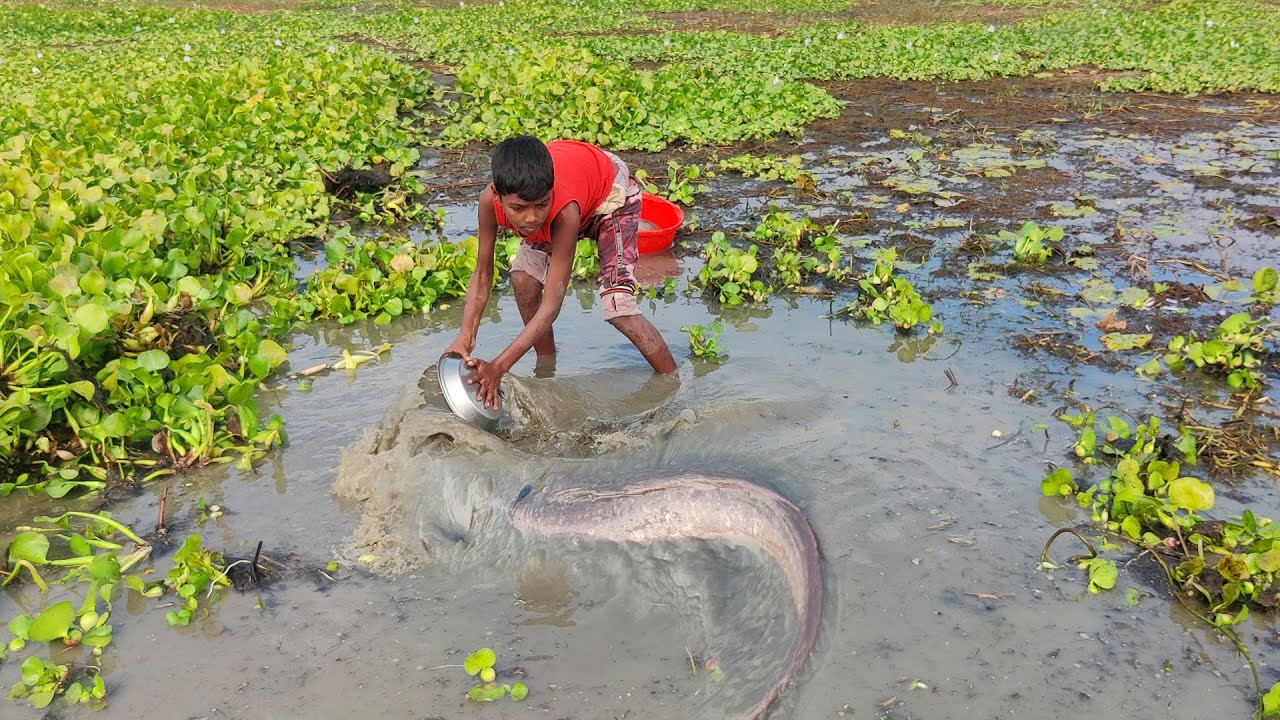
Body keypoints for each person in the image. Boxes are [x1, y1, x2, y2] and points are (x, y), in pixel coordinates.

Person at [441, 136, 677, 409]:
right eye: (518, 209)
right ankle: (546, 372)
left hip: (609, 194)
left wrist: (498, 366)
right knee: (523, 279)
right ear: (497, 196)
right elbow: (482, 274)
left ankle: (672, 384)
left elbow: (552, 304)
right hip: (574, 185)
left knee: (618, 306)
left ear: (550, 193)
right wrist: (465, 337)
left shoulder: (564, 211)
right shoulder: (489, 203)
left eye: (540, 205)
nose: (530, 218)